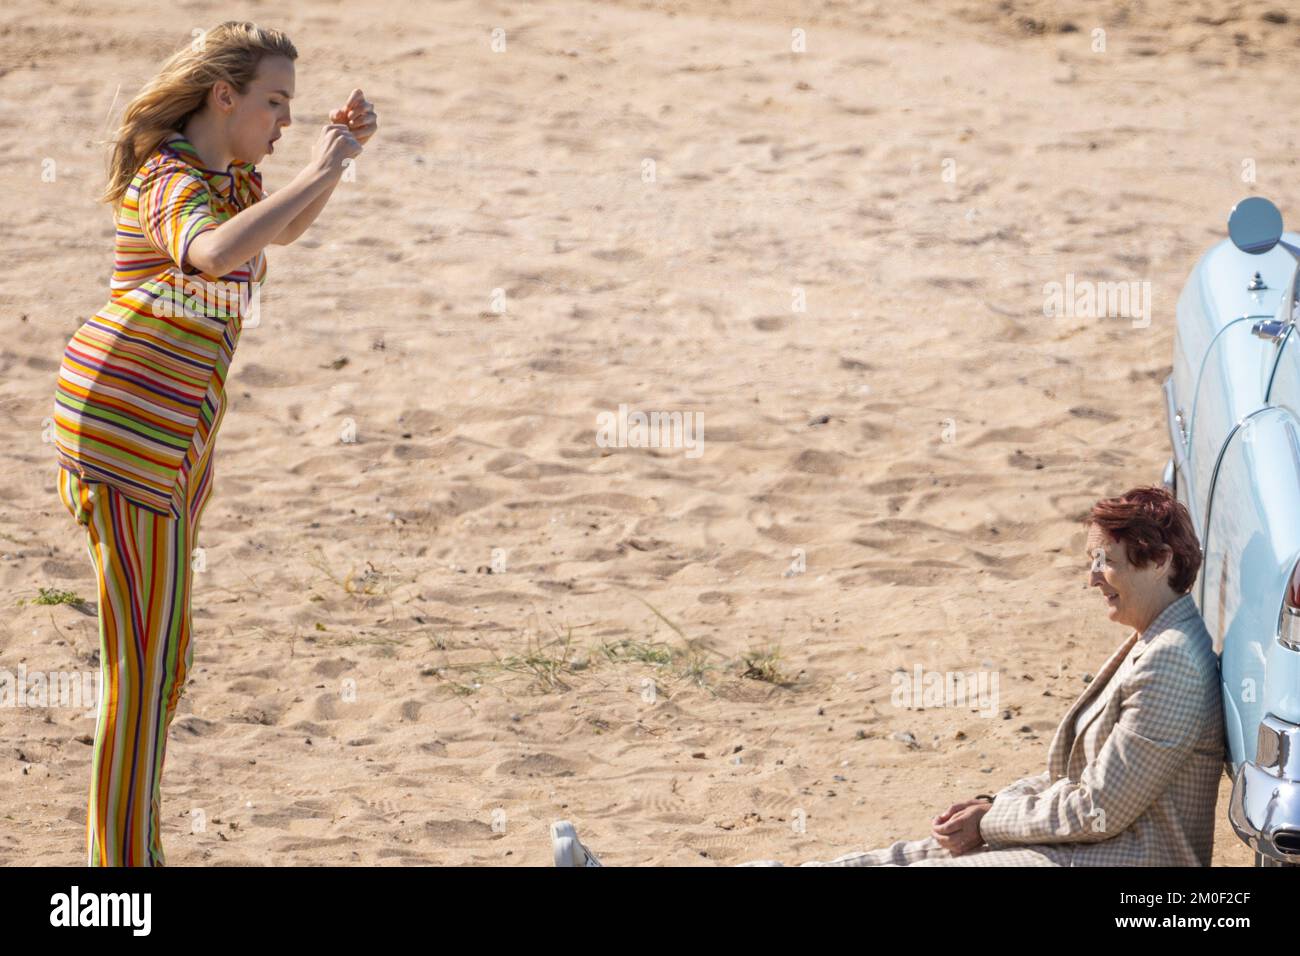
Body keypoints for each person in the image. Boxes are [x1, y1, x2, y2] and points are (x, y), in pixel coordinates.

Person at [51, 20, 377, 866]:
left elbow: (279, 233)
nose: (287, 121)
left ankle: (132, 859)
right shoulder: (172, 180)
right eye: (276, 101)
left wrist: (332, 168)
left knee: (166, 662)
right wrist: (321, 167)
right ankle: (117, 883)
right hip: (124, 436)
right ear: (223, 96)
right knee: (143, 671)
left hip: (175, 438)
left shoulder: (231, 180)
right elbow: (209, 256)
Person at [552, 486, 1225, 866]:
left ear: (1159, 559)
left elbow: (1098, 808)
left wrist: (994, 824)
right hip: (1088, 848)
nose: (1092, 577)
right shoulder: (1153, 639)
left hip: (1126, 869)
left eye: (1105, 561)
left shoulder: (1171, 663)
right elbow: (1080, 787)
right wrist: (992, 805)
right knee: (887, 863)